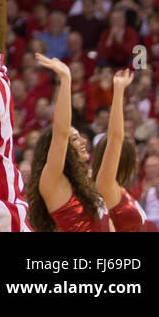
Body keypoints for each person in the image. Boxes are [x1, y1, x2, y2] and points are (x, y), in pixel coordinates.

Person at [25, 54, 111, 231]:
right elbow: (61, 131)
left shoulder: (84, 182)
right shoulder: (52, 180)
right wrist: (65, 79)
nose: (83, 140)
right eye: (74, 138)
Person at [92, 68, 149, 231]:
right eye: (134, 155)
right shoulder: (105, 184)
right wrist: (118, 91)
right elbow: (115, 138)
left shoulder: (118, 188)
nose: (137, 159)